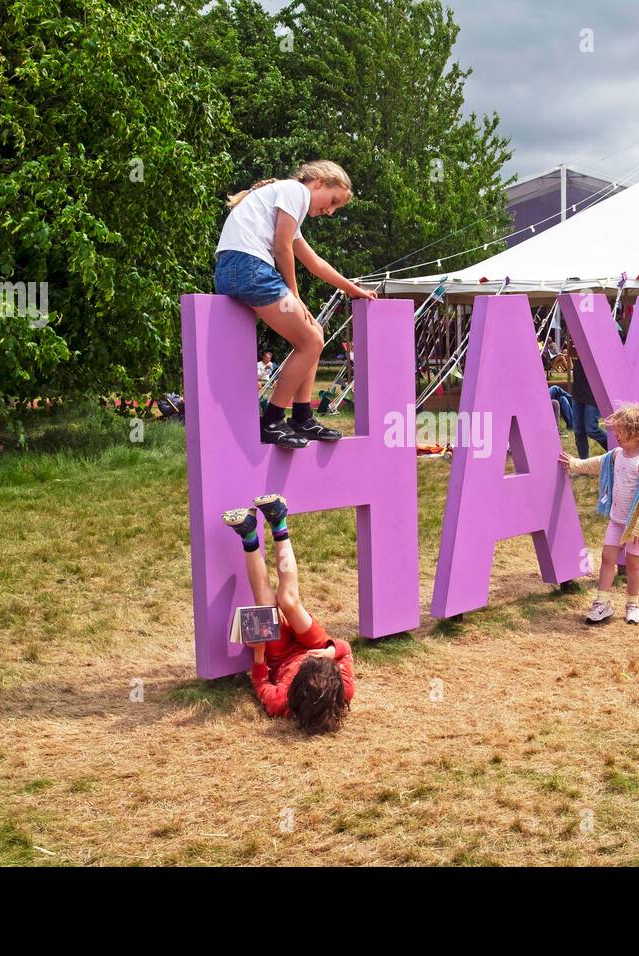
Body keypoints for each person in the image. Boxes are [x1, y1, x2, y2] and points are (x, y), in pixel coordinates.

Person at [214, 160, 377, 449]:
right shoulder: (294, 191)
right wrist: (295, 294)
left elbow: (314, 262)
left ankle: (302, 416)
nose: (330, 210)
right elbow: (281, 247)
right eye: (333, 201)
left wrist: (353, 289)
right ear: (319, 182)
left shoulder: (285, 200)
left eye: (335, 209)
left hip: (234, 269)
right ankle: (272, 420)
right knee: (311, 339)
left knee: (315, 333)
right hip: (250, 268)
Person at [224, 494, 355, 734]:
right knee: (288, 600)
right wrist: (329, 652)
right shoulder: (345, 689)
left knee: (265, 605)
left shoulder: (281, 701)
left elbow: (260, 683)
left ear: (295, 691)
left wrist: (260, 653)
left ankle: (248, 534)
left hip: (281, 656)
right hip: (312, 643)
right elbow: (346, 651)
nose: (307, 662)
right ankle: (278, 520)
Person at [558, 404, 639, 625]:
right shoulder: (616, 455)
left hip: (636, 528)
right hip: (616, 522)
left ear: (638, 433)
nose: (615, 435)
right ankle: (601, 604)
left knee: (633, 565)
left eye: (621, 432)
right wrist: (574, 464)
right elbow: (596, 464)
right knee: (607, 559)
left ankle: (632, 605)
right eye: (616, 431)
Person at [567, 341, 607, 458]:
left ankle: (618, 452)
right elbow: (572, 354)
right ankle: (584, 463)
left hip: (593, 392)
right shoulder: (579, 339)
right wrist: (572, 345)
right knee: (579, 431)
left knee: (591, 429)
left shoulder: (598, 342)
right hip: (578, 389)